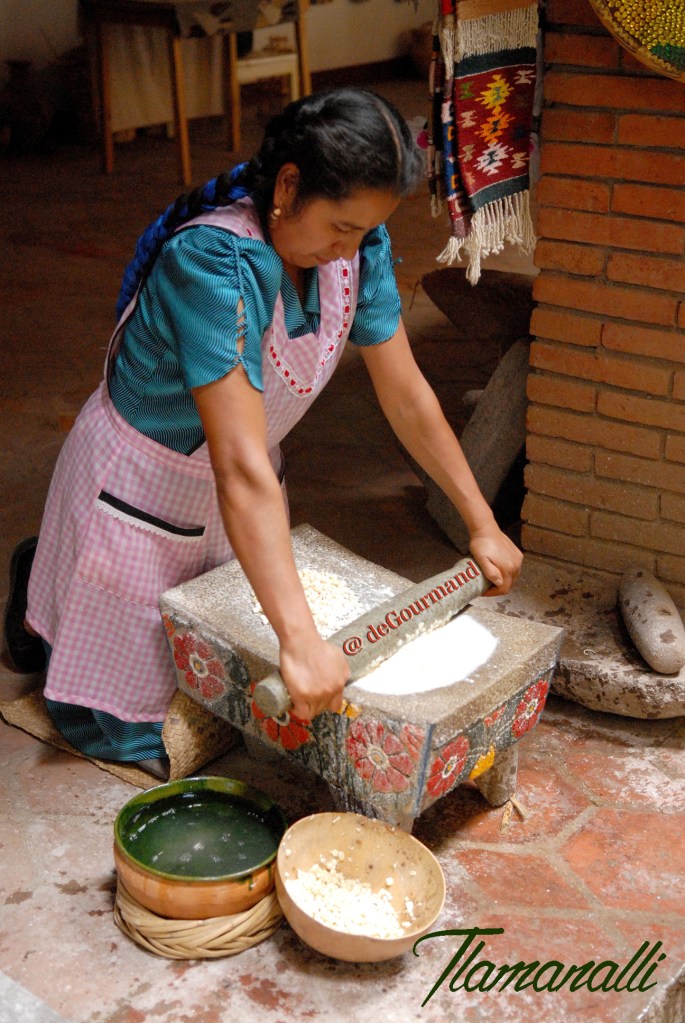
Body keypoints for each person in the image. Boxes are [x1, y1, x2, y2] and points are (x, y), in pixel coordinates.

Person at [7, 87, 521, 773]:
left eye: (366, 232)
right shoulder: (212, 264)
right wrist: (301, 640)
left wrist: (479, 519)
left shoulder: (355, 248)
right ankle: (43, 599)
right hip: (141, 489)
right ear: (287, 187)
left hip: (226, 499)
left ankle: (49, 577)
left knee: (223, 685)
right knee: (130, 728)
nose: (352, 248)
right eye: (341, 227)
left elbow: (405, 395)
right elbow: (240, 463)